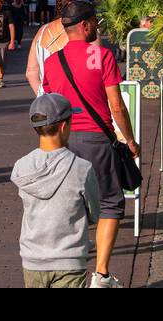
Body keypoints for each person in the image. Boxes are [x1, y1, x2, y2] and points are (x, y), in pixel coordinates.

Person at [41, 0, 138, 288]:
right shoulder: (102, 56)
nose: (97, 25)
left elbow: (49, 105)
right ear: (85, 25)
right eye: (95, 21)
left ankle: (69, 270)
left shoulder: (52, 61)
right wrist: (129, 140)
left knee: (71, 204)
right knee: (110, 202)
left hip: (63, 141)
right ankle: (101, 274)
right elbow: (117, 105)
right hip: (97, 138)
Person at [11, 92, 100, 289]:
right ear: (63, 126)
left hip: (32, 257)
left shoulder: (21, 167)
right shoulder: (82, 168)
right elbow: (94, 214)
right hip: (69, 257)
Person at [26, 0, 84, 96]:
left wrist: (41, 95)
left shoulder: (42, 31)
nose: (89, 4)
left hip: (48, 103)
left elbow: (31, 72)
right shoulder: (86, 31)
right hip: (78, 102)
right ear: (72, 4)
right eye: (84, 1)